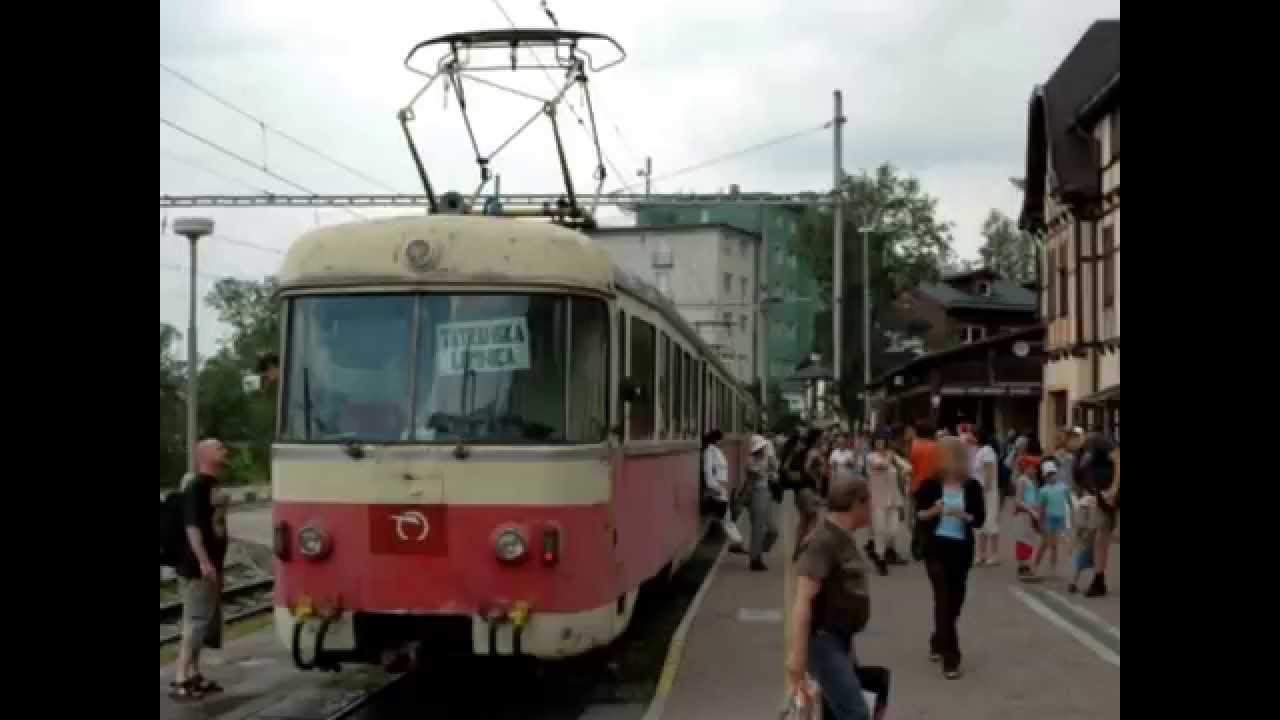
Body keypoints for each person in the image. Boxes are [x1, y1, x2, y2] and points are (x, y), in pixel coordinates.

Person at [787, 475, 876, 720]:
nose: (872, 509)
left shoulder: (839, 536)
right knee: (855, 713)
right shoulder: (823, 541)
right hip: (824, 643)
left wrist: (849, 649)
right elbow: (803, 600)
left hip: (837, 640)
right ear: (856, 504)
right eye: (869, 503)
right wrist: (797, 657)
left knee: (837, 713)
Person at [914, 436, 986, 679]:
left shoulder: (972, 487)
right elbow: (919, 515)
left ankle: (937, 638)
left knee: (954, 603)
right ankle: (951, 658)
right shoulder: (929, 485)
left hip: (961, 550)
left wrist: (963, 515)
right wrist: (934, 511)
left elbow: (979, 519)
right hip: (935, 548)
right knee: (943, 600)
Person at [170, 438, 231, 701]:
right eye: (219, 448)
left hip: (210, 566)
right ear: (204, 455)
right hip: (197, 568)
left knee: (202, 622)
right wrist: (205, 562)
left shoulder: (213, 485)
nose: (224, 451)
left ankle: (194, 673)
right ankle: (180, 678)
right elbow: (193, 529)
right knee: (195, 623)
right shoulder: (196, 487)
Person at [1077, 433, 1118, 597]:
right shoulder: (1083, 454)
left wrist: (1114, 488)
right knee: (1100, 538)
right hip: (1101, 497)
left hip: (1112, 493)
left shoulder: (1099, 440)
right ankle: (1099, 581)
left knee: (1102, 537)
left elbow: (1118, 458)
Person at [865, 433, 904, 576]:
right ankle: (880, 558)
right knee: (880, 530)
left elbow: (907, 468)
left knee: (893, 530)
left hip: (893, 500)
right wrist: (890, 456)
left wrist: (902, 466)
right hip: (877, 499)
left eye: (883, 442)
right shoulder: (871, 457)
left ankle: (882, 552)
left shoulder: (892, 456)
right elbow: (882, 465)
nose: (880, 444)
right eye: (877, 442)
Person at [702, 430, 745, 548]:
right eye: (721, 439)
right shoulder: (709, 452)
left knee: (725, 517)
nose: (723, 442)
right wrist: (714, 487)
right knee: (725, 517)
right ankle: (737, 542)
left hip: (721, 489)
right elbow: (708, 471)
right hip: (717, 490)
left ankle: (737, 542)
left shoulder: (716, 451)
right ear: (717, 439)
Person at [906, 421, 940, 561]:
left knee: (919, 517)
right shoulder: (937, 447)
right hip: (934, 485)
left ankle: (917, 547)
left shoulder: (914, 447)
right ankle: (930, 546)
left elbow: (910, 468)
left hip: (917, 485)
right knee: (933, 516)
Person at [967, 428, 1001, 566]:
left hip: (987, 493)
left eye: (971, 434)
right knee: (980, 523)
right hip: (979, 492)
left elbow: (989, 473)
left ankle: (993, 554)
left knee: (990, 522)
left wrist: (983, 490)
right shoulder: (979, 451)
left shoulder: (987, 451)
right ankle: (981, 554)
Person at [744, 435, 778, 571]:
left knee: (773, 530)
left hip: (766, 494)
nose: (764, 449)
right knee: (758, 529)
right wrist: (769, 472)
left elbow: (775, 467)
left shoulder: (765, 458)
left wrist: (771, 455)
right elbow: (757, 473)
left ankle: (756, 551)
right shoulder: (751, 461)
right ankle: (755, 559)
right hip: (756, 495)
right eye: (762, 447)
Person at [1032, 459, 1069, 577]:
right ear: (1044, 476)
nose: (1051, 477)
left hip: (1059, 518)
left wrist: (1070, 517)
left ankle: (1052, 568)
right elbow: (1041, 508)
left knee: (1054, 545)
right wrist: (1039, 521)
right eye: (1048, 475)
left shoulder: (1063, 487)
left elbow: (1069, 502)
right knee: (1045, 543)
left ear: (1056, 473)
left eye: (1053, 474)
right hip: (1048, 519)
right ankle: (1035, 566)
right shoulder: (1044, 490)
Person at [1012, 453, 1043, 581]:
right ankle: (1023, 568)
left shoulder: (1031, 481)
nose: (1034, 470)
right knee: (1024, 540)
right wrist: (1030, 510)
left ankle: (1025, 567)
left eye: (1035, 468)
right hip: (1024, 514)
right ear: (1025, 467)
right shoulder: (1022, 480)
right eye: (1032, 467)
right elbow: (1018, 500)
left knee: (1029, 540)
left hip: (1030, 514)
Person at [1068, 484, 1099, 594]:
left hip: (1083, 534)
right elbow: (1092, 522)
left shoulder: (1083, 502)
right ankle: (1077, 583)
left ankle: (1074, 583)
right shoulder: (1093, 501)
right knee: (1093, 560)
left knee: (1083, 560)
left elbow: (1079, 523)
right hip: (1090, 535)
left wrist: (1078, 535)